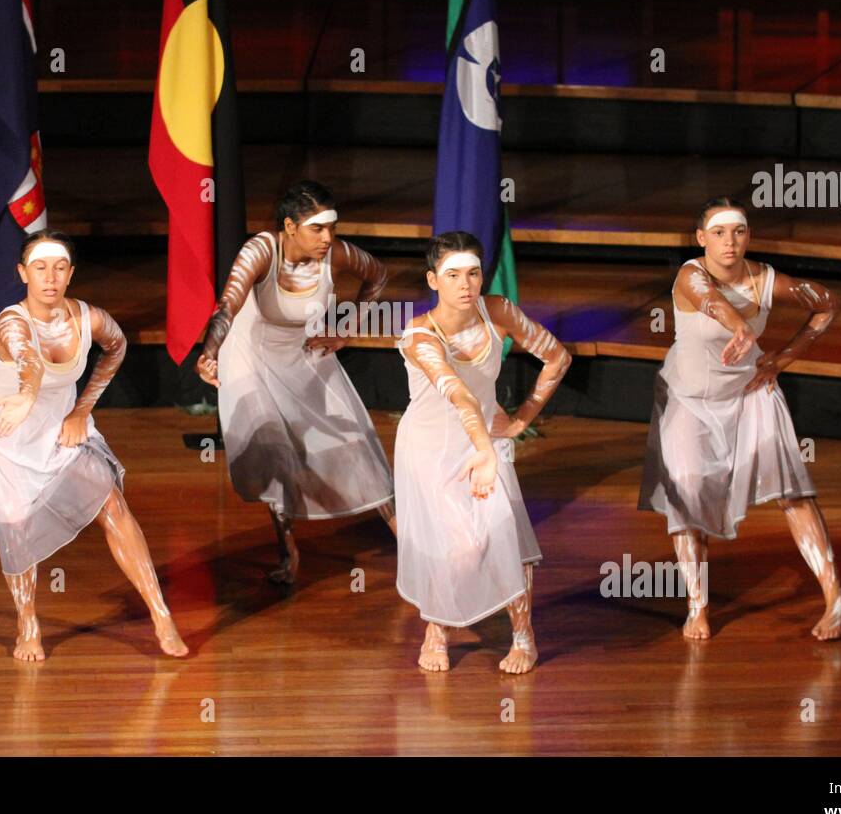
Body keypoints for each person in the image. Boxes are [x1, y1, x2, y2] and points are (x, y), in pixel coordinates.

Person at [0, 231, 187, 661]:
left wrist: (81, 410)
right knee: (16, 521)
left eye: (60, 268)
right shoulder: (11, 322)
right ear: (23, 273)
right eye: (40, 268)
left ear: (71, 274)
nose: (50, 277)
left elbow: (117, 348)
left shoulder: (89, 318)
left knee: (112, 503)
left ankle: (161, 615)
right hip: (0, 422)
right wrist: (26, 396)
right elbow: (29, 364)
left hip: (56, 418)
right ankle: (28, 622)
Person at [639, 197, 841, 641]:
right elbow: (712, 302)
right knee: (687, 493)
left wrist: (782, 359)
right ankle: (697, 606)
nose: (729, 241)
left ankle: (835, 599)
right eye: (718, 233)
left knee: (793, 491)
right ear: (701, 239)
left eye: (738, 231)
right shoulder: (689, 274)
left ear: (748, 236)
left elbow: (828, 303)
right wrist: (740, 327)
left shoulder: (767, 280)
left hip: (751, 391)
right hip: (689, 399)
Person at [196, 180, 396, 584]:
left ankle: (409, 542)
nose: (327, 238)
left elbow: (378, 276)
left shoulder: (336, 255)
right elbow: (227, 307)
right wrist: (209, 353)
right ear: (289, 226)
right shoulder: (260, 251)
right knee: (276, 453)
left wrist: (346, 331)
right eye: (316, 229)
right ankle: (289, 553)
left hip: (301, 349)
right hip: (249, 354)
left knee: (353, 440)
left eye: (331, 228)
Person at [395, 231, 571, 674]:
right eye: (453, 275)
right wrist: (485, 448)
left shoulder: (499, 312)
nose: (465, 284)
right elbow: (459, 395)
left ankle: (523, 636)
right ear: (433, 280)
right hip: (430, 450)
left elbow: (558, 358)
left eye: (473, 273)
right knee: (457, 546)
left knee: (503, 533)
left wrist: (522, 419)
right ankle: (437, 628)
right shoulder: (419, 334)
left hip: (486, 442)